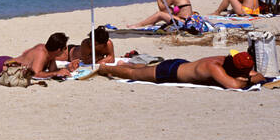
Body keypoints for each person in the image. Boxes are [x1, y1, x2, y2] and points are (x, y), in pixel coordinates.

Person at [96, 47, 262, 90]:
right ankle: (106, 69)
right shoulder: (214, 67)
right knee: (134, 74)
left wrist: (248, 77)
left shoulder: (227, 62)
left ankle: (126, 63)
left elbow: (259, 76)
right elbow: (233, 85)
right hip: (170, 72)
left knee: (144, 69)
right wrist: (246, 80)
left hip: (181, 65)